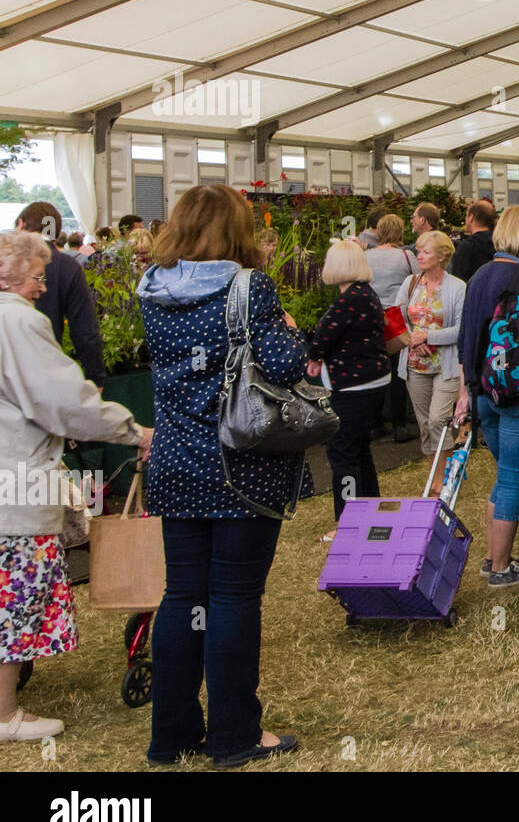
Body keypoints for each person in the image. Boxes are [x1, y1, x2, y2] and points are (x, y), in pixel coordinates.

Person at [137, 184, 307, 768]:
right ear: (236, 229)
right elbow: (285, 367)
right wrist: (288, 326)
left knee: (183, 597)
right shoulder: (248, 286)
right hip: (240, 465)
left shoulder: (150, 289)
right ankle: (235, 734)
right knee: (233, 598)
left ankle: (173, 733)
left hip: (177, 461)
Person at [0, 231, 152, 742]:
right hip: (15, 484)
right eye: (38, 277)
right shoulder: (17, 320)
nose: (43, 287)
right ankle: (3, 715)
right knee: (15, 599)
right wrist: (130, 430)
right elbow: (62, 400)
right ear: (13, 276)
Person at [455, 204, 519, 588]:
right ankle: (501, 568)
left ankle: (492, 556)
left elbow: (468, 336)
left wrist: (469, 387)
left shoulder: (479, 275)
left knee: (503, 472)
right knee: (514, 476)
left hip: (484, 389)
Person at [307, 241, 390, 533]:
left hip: (354, 387)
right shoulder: (365, 294)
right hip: (371, 381)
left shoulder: (349, 300)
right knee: (358, 450)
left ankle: (348, 523)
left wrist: (311, 352)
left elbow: (322, 338)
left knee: (342, 453)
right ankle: (369, 510)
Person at [396, 230, 467, 486]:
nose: (419, 256)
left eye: (426, 252)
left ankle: (441, 480)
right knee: (425, 423)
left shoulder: (458, 287)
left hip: (444, 365)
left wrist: (428, 336)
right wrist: (414, 338)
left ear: (442, 256)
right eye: (418, 251)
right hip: (414, 365)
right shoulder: (411, 283)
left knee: (439, 419)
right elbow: (396, 320)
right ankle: (434, 474)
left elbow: (461, 329)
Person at [14, 202, 106, 388]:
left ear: (21, 225)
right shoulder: (67, 266)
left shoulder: (6, 261)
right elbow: (84, 330)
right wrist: (96, 377)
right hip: (44, 373)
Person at [365, 214, 418, 445]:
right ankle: (399, 425)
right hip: (398, 318)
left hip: (372, 316)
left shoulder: (365, 256)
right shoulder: (407, 256)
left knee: (374, 369)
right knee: (398, 372)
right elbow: (418, 281)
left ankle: (375, 423)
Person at [449, 200, 498, 284]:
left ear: (471, 217)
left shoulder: (466, 247)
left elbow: (459, 281)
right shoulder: (500, 243)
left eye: (466, 216)